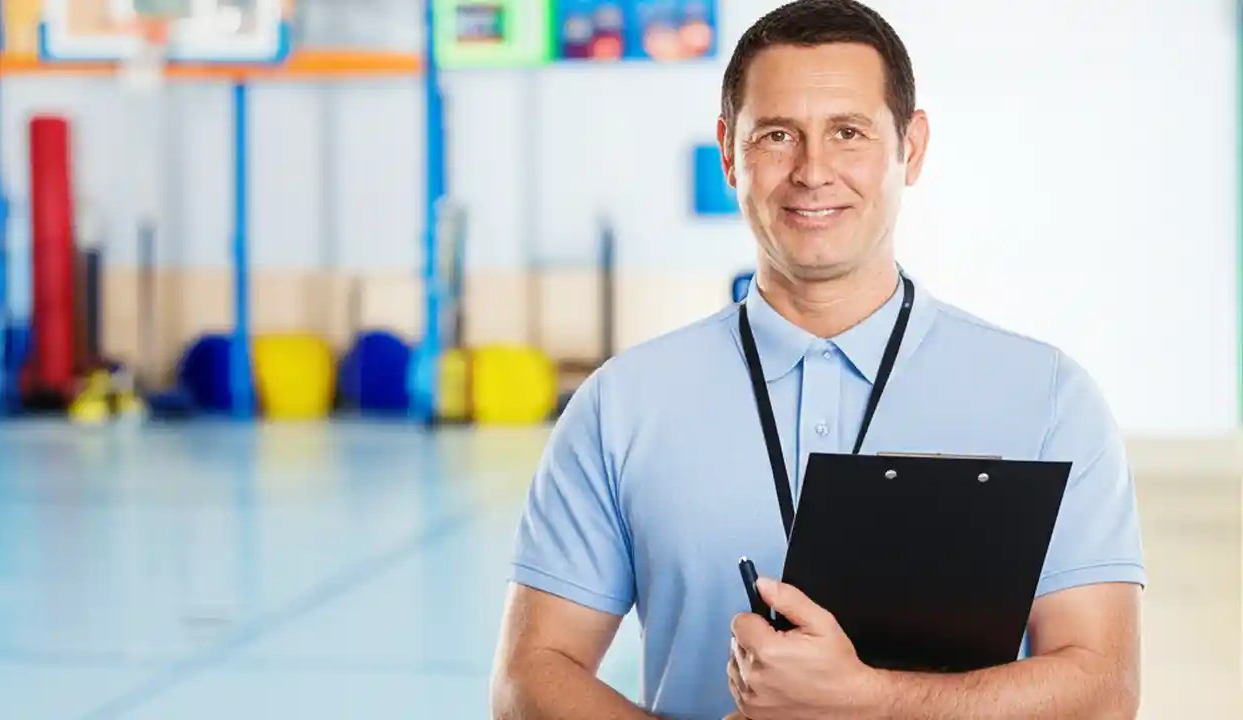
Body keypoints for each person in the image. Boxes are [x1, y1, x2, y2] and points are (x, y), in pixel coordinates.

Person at [490, 1, 1145, 718]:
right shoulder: (623, 405)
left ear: (912, 147)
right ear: (728, 153)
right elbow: (529, 676)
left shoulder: (1046, 398)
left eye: (848, 133)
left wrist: (869, 699)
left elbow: (1101, 692)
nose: (812, 171)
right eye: (776, 135)